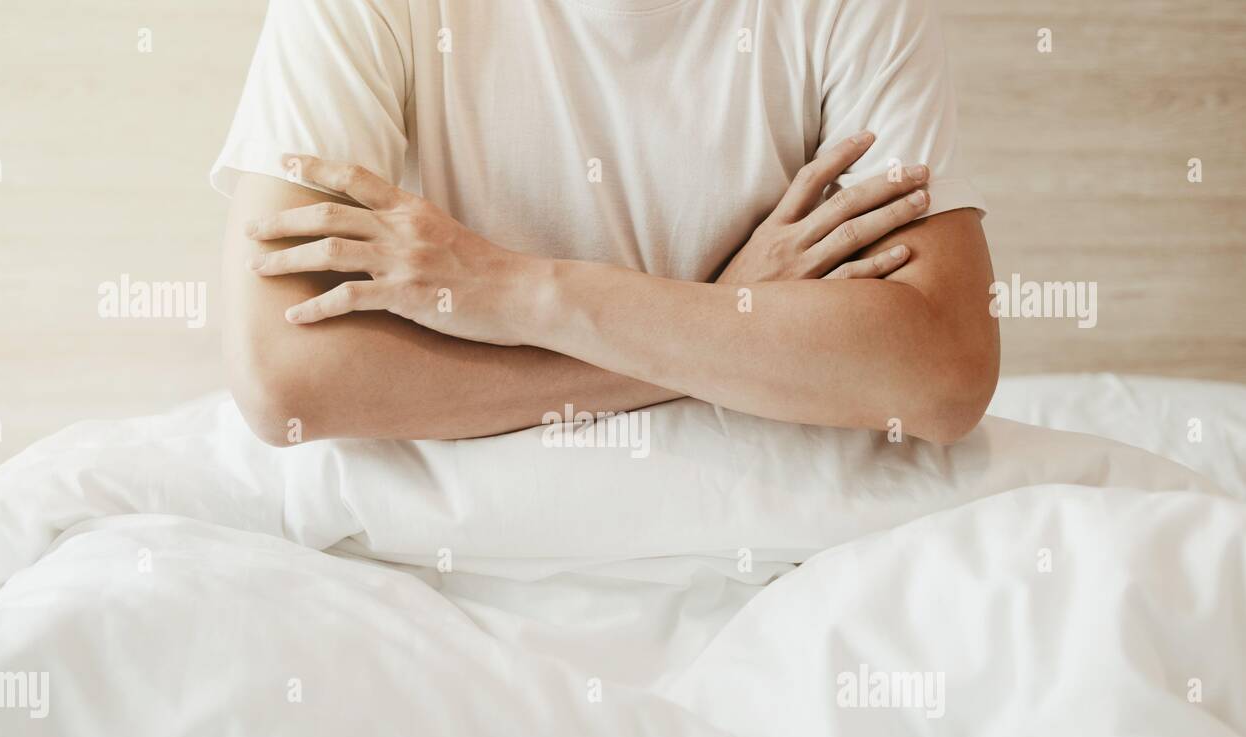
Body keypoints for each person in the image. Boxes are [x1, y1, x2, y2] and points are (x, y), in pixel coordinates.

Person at [213, 0, 997, 447]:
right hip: (460, 535)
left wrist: (511, 291)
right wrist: (723, 309)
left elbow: (943, 372)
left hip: (771, 527)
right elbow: (287, 379)